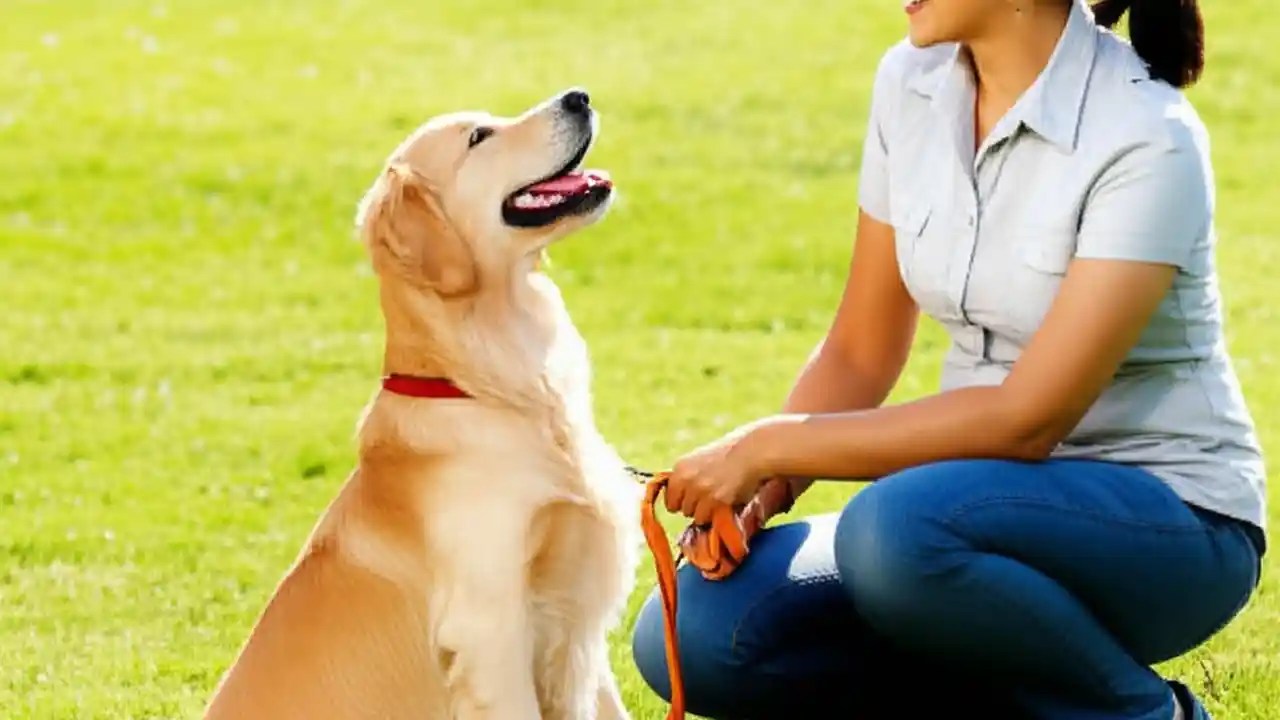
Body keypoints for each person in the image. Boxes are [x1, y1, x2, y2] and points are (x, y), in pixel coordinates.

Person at [630, 0, 1267, 718]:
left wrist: (765, 443)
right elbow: (860, 351)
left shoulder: (1147, 137)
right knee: (691, 635)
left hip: (1171, 526)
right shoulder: (912, 81)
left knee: (893, 533)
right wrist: (764, 489)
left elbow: (1025, 421)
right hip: (957, 518)